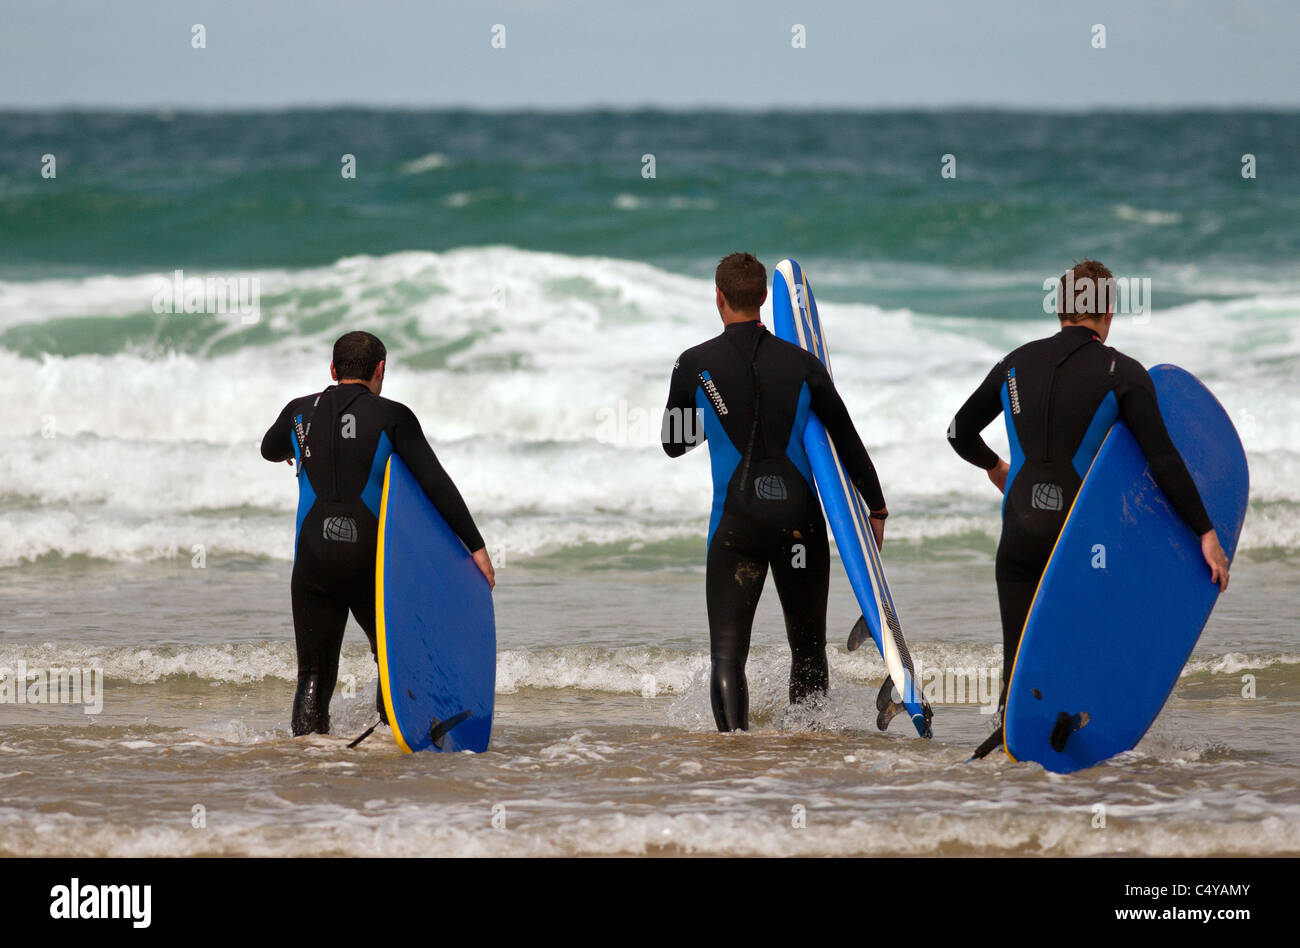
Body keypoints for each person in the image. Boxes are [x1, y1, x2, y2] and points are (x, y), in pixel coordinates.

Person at [947, 260, 1230, 758]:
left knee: (1019, 658)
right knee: (1086, 645)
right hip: (1078, 538)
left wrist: (997, 468)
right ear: (1107, 312)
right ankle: (1069, 751)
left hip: (1018, 532)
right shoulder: (1123, 372)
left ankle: (1008, 760)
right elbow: (1162, 459)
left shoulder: (1015, 362)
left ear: (1060, 309)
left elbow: (958, 432)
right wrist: (1204, 530)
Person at [662, 252, 889, 731]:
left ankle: (734, 753)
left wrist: (722, 417)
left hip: (736, 522)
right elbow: (846, 439)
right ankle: (806, 749)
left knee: (728, 653)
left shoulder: (694, 363)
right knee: (807, 648)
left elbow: (673, 444)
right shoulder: (804, 364)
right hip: (799, 521)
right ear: (764, 298)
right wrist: (877, 507)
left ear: (718, 297)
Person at [261, 330, 494, 736]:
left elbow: (268, 447)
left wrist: (293, 450)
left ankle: (307, 756)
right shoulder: (393, 416)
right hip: (372, 562)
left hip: (313, 559)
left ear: (333, 369)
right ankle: (394, 737)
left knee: (314, 672)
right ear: (380, 369)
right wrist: (475, 546)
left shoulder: (299, 412)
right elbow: (435, 483)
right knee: (396, 659)